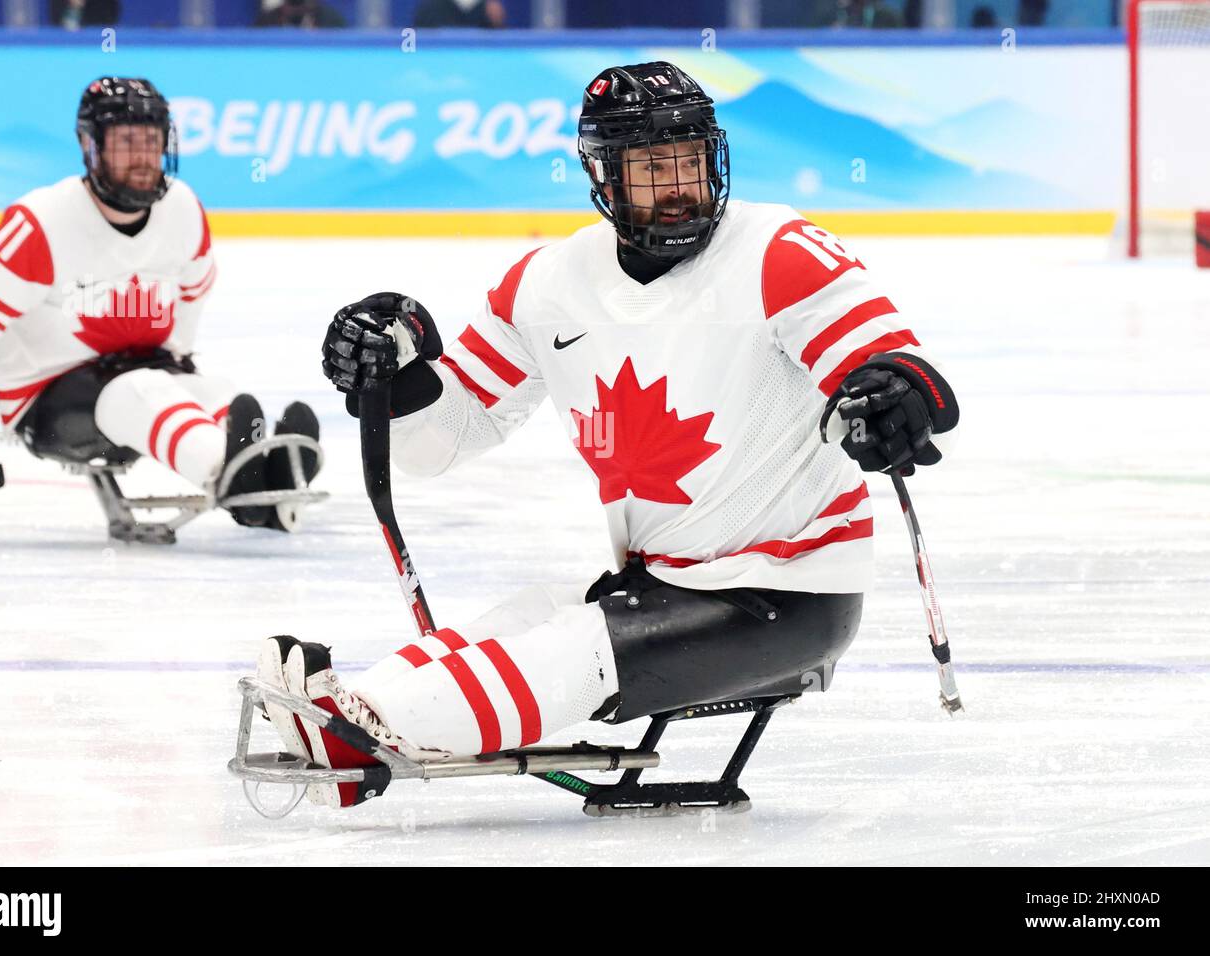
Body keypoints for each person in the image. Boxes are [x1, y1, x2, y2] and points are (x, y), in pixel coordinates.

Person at [259, 62, 959, 808]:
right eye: (654, 166)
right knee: (531, 618)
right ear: (604, 174)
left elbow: (888, 357)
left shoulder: (777, 251)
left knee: (574, 648)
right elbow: (445, 438)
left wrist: (894, 393)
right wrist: (394, 377)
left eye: (690, 159)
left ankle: (368, 732)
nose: (681, 183)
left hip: (790, 592)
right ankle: (357, 705)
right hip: (658, 580)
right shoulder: (547, 283)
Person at [0, 77, 320, 532]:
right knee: (140, 393)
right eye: (126, 141)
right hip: (45, 400)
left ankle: (264, 470)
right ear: (90, 146)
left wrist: (178, 361)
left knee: (209, 390)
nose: (143, 155)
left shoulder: (183, 210)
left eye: (151, 139)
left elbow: (192, 294)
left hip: (141, 372)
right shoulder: (41, 225)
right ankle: (231, 471)